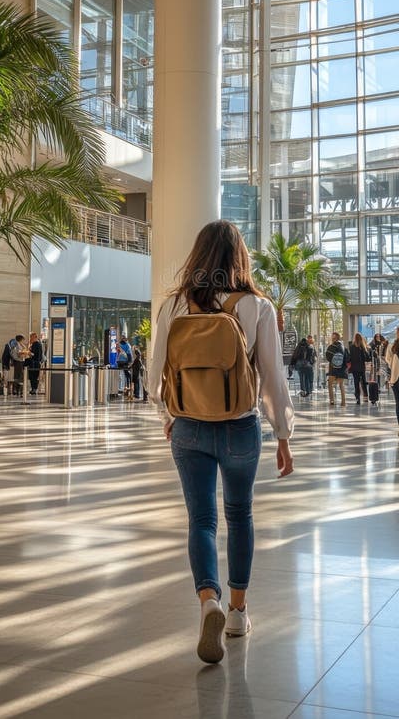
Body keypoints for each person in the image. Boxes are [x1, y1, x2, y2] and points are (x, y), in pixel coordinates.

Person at [149, 219, 294, 663]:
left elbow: (155, 373)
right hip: (239, 426)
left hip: (189, 425)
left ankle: (207, 600)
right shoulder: (256, 307)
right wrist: (283, 434)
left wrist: (168, 414)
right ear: (239, 257)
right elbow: (272, 377)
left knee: (201, 520)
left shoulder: (174, 305)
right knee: (240, 514)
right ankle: (236, 612)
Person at [325, 332, 348, 406]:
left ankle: (332, 400)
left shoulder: (331, 347)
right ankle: (343, 402)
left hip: (333, 369)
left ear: (334, 338)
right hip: (342, 369)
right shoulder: (344, 348)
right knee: (341, 385)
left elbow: (328, 357)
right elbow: (347, 358)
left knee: (330, 384)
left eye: (333, 337)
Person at [349, 333, 371, 405]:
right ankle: (365, 397)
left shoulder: (351, 347)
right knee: (363, 382)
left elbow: (350, 358)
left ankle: (358, 398)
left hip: (354, 368)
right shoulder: (363, 347)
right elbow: (367, 358)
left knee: (356, 383)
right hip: (362, 368)